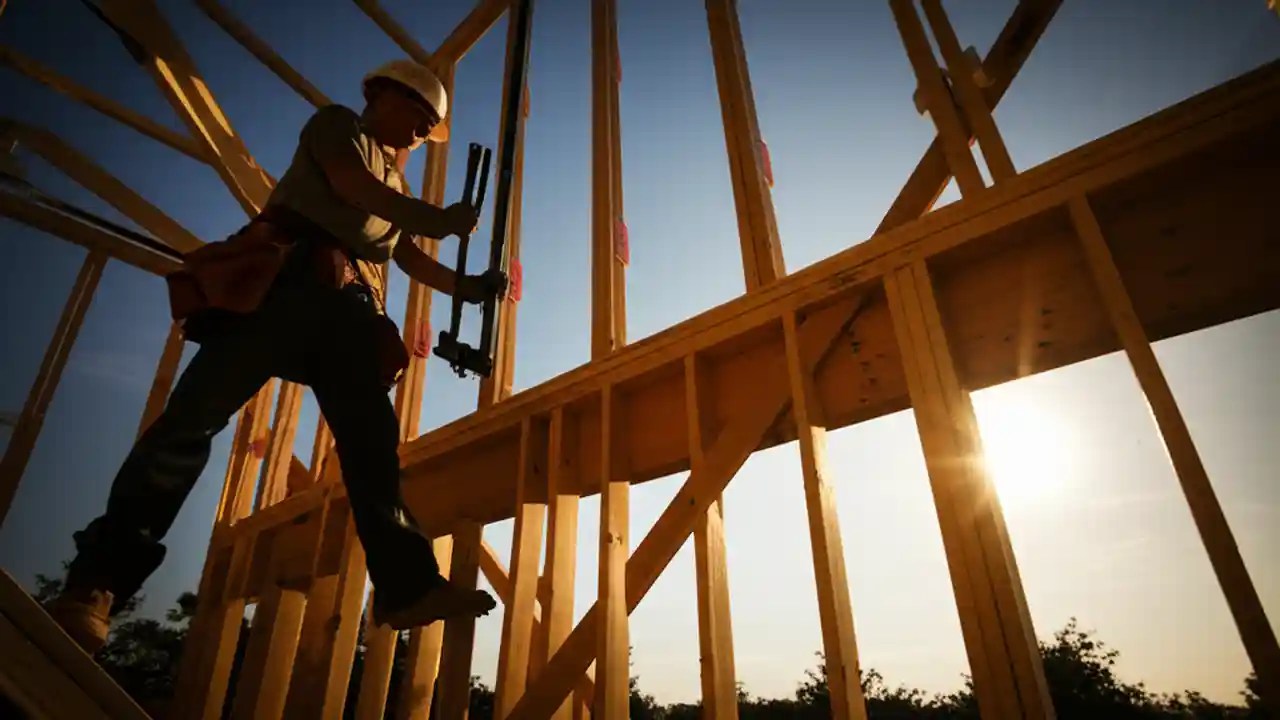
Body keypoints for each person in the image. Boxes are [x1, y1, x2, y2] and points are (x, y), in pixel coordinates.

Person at [47, 59, 501, 653]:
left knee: (371, 448)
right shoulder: (339, 127)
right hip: (283, 283)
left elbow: (408, 257)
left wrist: (467, 288)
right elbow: (350, 185)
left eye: (427, 128)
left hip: (347, 312)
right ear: (384, 95)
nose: (421, 134)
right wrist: (437, 219)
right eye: (419, 119)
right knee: (190, 422)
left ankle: (407, 587)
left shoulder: (397, 189)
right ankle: (97, 584)